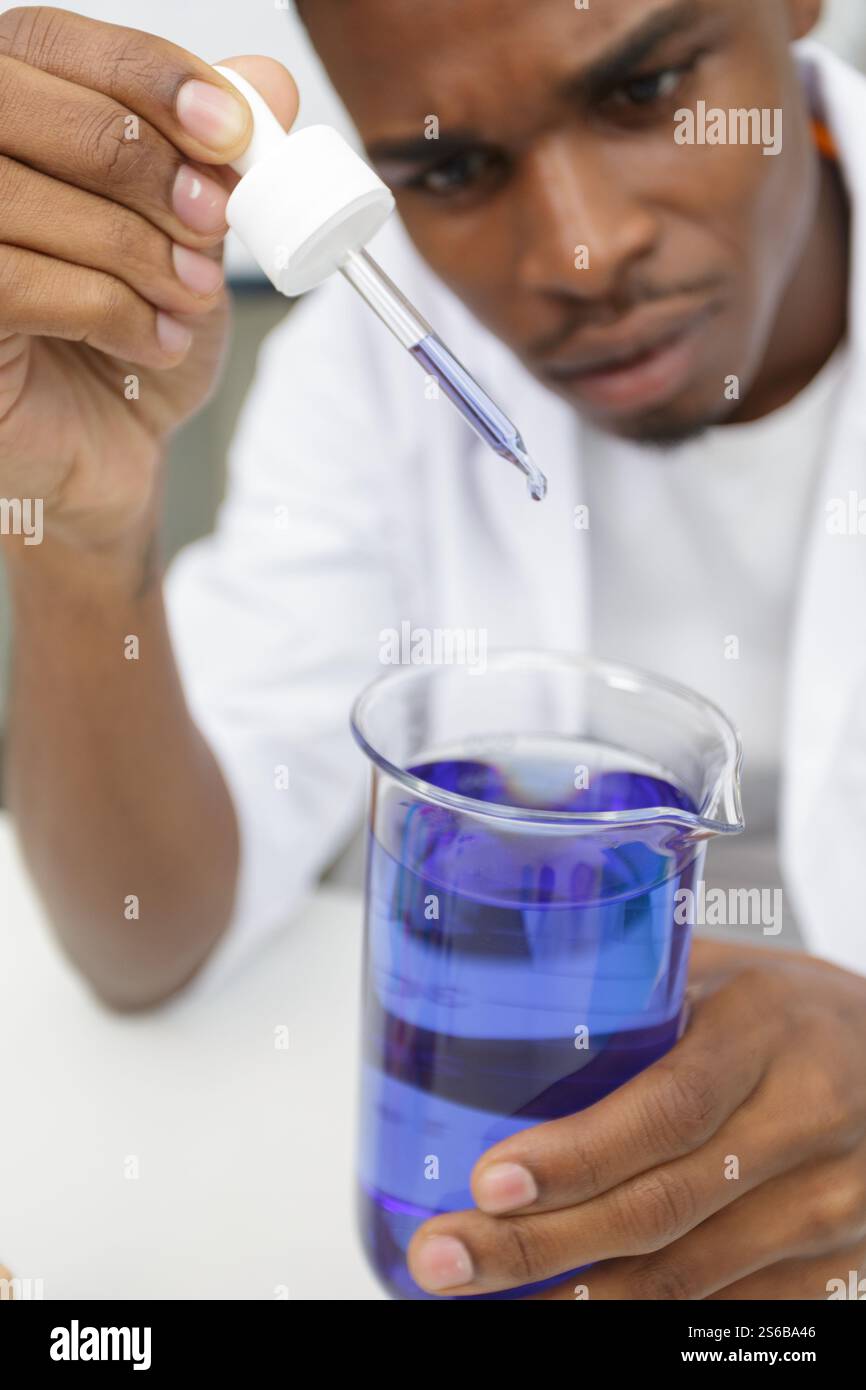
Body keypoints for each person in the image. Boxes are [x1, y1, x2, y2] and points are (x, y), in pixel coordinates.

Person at [0, 0, 864, 1301]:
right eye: (450, 170)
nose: (580, 252)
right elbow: (150, 937)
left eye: (642, 92)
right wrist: (79, 534)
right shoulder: (369, 355)